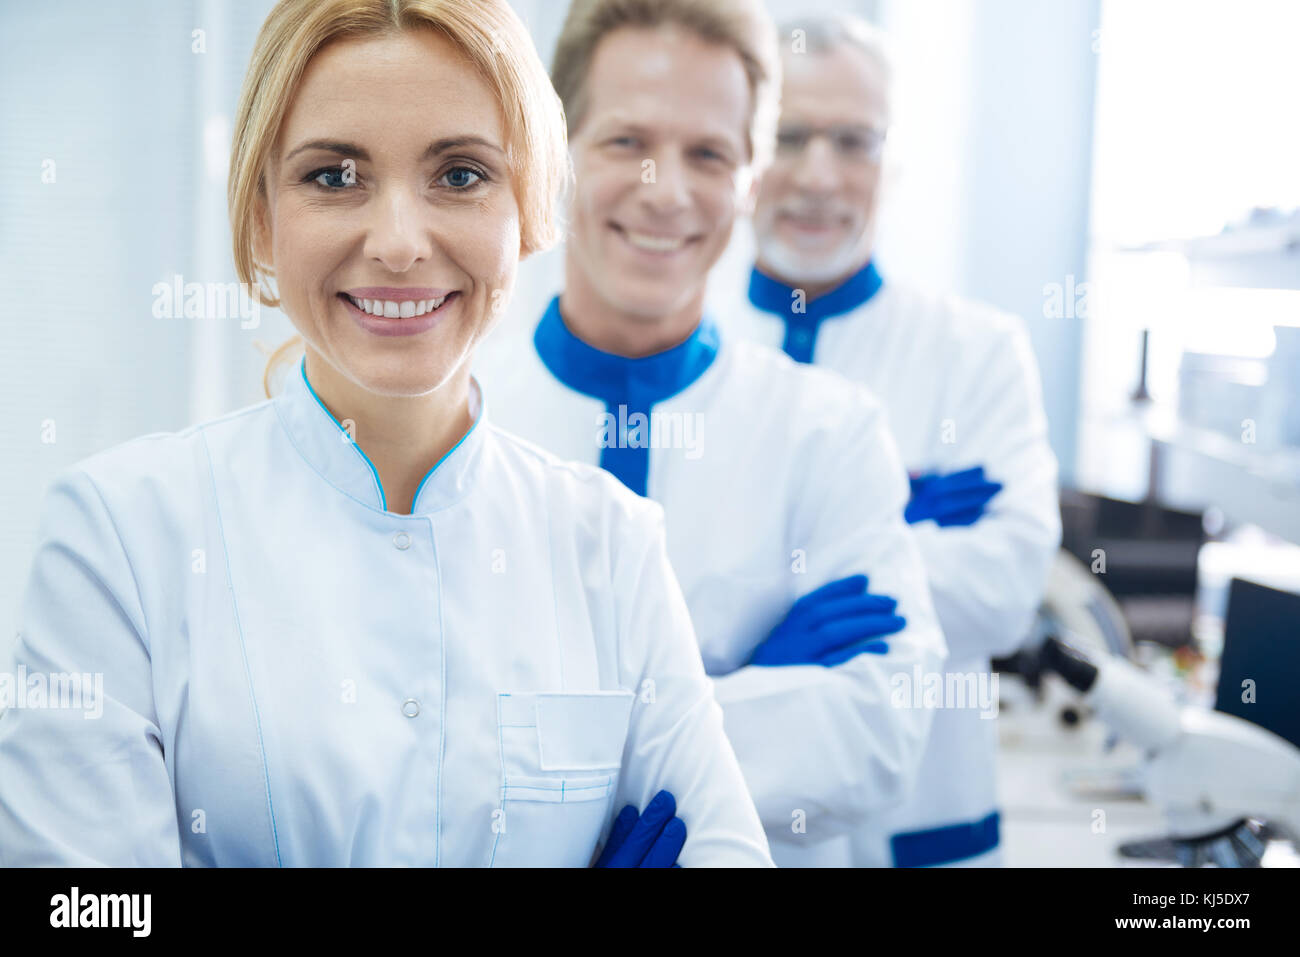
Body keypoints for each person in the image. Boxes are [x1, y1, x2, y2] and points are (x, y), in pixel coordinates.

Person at [0, 0, 773, 868]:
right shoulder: (121, 537)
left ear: (527, 210)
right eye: (334, 176)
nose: (400, 244)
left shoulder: (613, 543)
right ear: (260, 214)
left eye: (460, 175)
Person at [475, 0, 946, 867]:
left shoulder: (830, 435)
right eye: (627, 142)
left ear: (751, 177)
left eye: (709, 153)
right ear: (553, 152)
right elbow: (418, 728)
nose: (668, 191)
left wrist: (567, 779)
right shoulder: (460, 414)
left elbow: (882, 727)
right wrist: (738, 698)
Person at [730, 15, 1062, 866]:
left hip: (928, 829)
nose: (818, 176)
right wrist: (896, 528)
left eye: (855, 141)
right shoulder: (681, 342)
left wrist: (763, 587)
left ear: (891, 159)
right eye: (787, 136)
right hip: (745, 824)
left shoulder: (975, 349)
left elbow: (1008, 583)